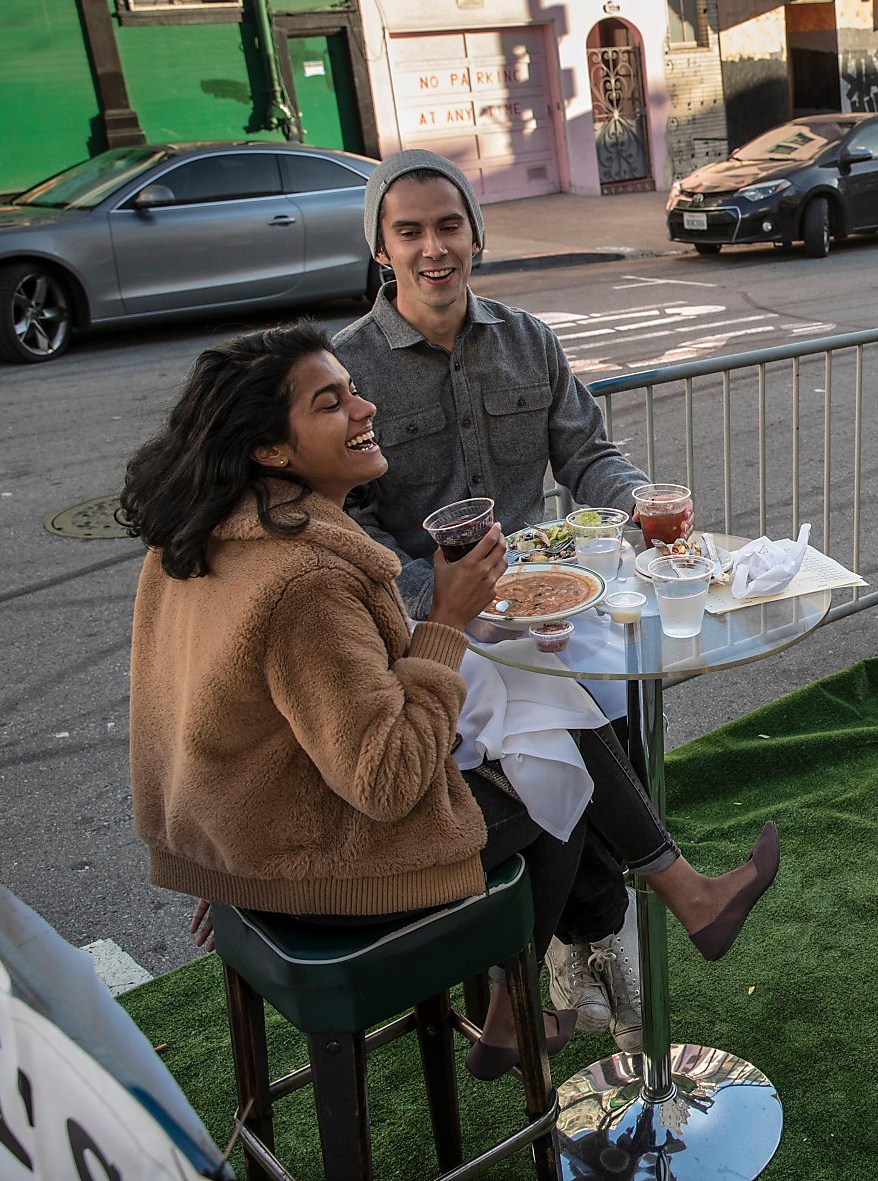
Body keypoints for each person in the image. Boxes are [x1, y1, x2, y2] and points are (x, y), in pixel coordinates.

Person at [121, 324, 782, 1080]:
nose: (365, 408)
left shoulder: (205, 531)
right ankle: (533, 987)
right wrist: (445, 620)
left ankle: (658, 913)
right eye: (331, 403)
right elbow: (388, 779)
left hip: (244, 827)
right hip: (312, 856)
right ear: (272, 449)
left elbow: (202, 718)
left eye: (354, 388)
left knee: (534, 693)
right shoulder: (305, 580)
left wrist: (209, 848)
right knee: (551, 772)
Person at [333, 150, 664, 1051]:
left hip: (546, 596)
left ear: (475, 235)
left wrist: (634, 496)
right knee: (556, 753)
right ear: (381, 249)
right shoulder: (346, 370)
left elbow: (587, 454)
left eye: (449, 226)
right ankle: (563, 956)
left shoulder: (528, 339)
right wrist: (428, 591)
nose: (433, 248)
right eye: (410, 231)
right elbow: (342, 518)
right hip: (430, 627)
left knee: (613, 714)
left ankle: (588, 947)